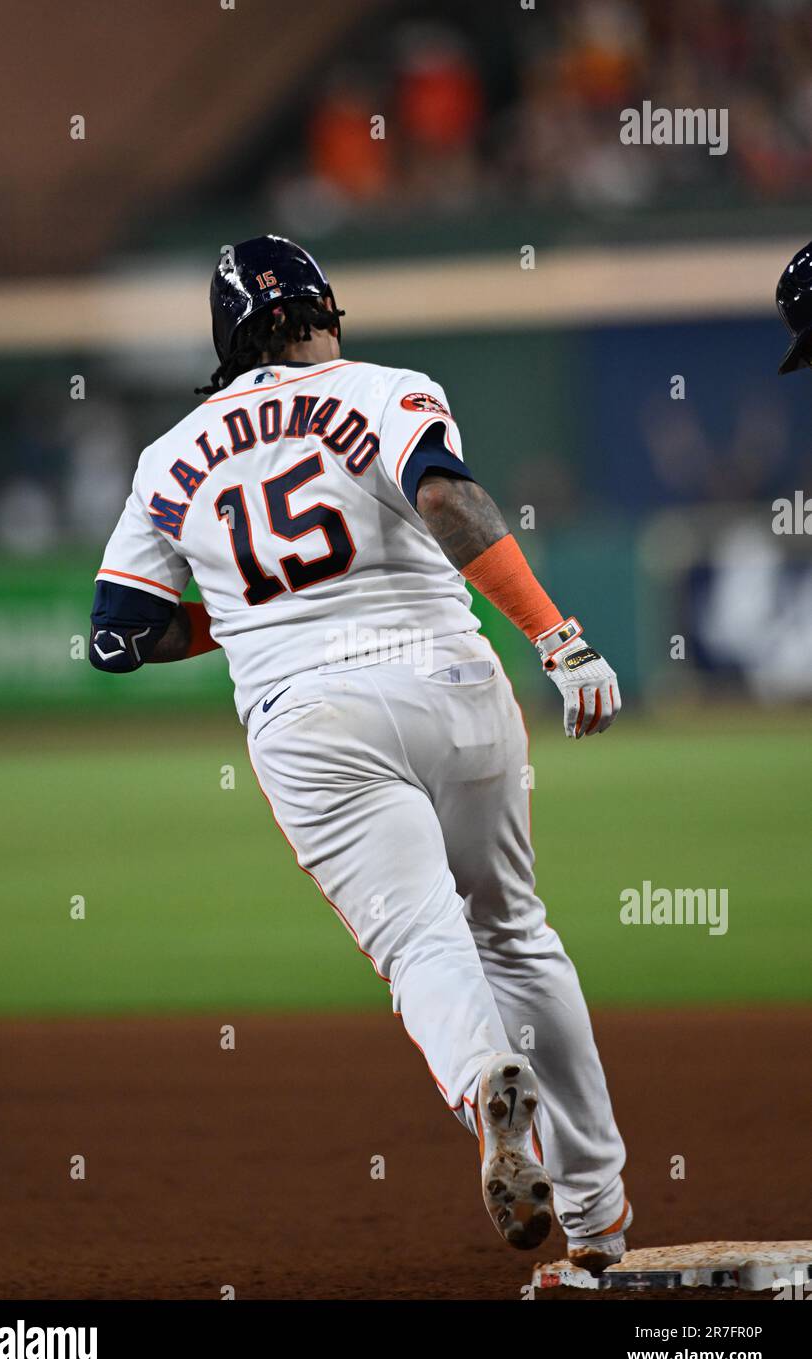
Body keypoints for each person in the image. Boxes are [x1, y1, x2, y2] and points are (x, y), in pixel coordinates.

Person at [90, 234, 630, 1271]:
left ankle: (484, 1084)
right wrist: (559, 639)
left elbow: (118, 636)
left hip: (310, 717)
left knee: (422, 945)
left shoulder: (167, 456)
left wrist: (247, 614)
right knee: (514, 932)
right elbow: (443, 496)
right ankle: (600, 1217)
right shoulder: (386, 388)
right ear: (321, 311)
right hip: (451, 685)